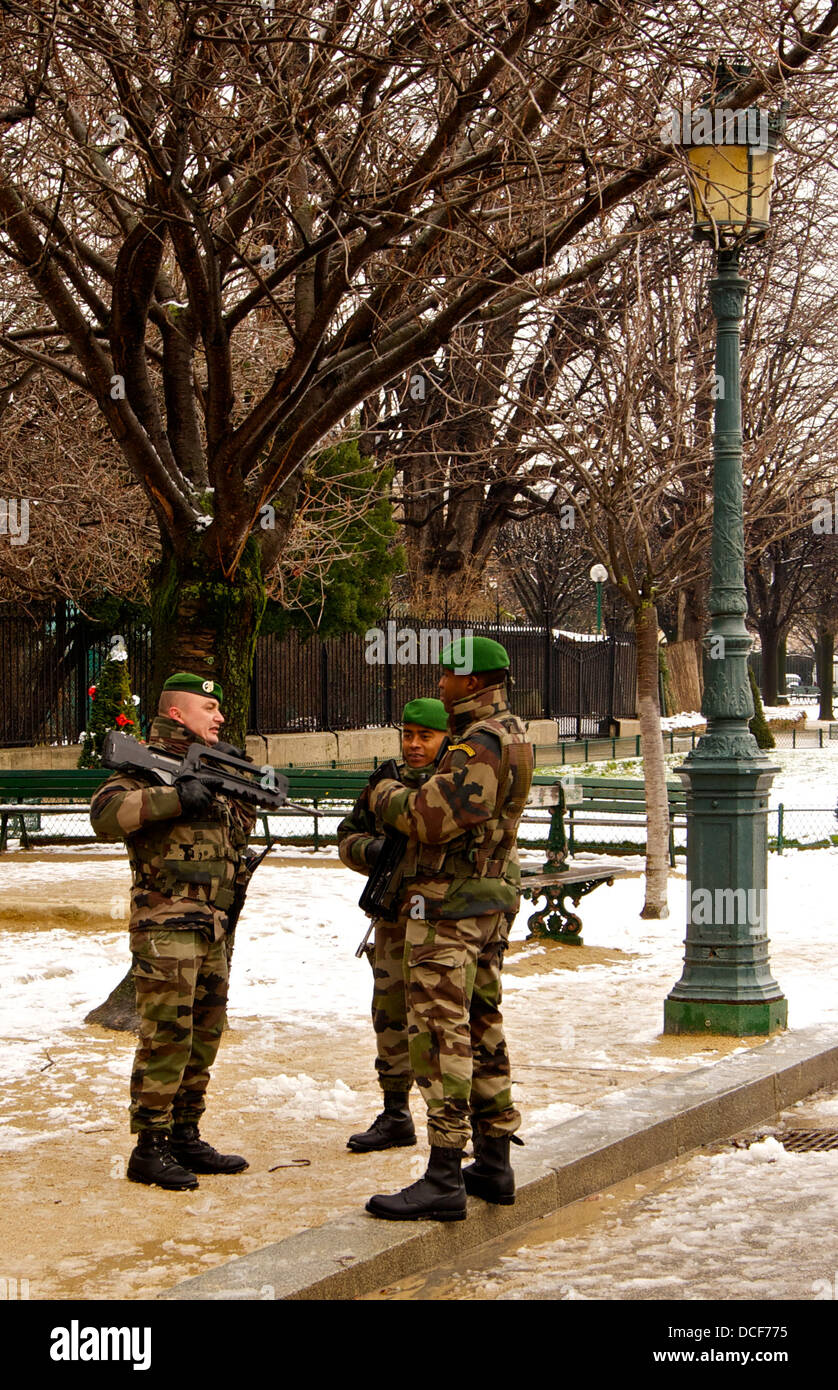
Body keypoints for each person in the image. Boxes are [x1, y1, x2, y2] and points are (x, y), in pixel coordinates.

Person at [362, 637, 534, 1222]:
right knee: (483, 1028)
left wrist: (385, 792)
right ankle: (492, 1161)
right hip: (486, 904)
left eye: (447, 675)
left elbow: (428, 820)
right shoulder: (511, 732)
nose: (439, 683)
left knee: (440, 1035)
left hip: (450, 908)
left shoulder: (479, 743)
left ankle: (442, 1174)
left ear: (472, 681)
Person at [90, 672, 256, 1191]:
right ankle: (150, 1146)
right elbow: (105, 814)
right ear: (178, 713)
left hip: (212, 925)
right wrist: (177, 798)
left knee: (204, 1034)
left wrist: (232, 790)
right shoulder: (145, 768)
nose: (220, 716)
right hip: (166, 925)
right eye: (209, 707)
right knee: (168, 1036)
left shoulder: (213, 765)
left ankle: (185, 1133)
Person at [338, 698, 448, 1153]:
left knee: (441, 1021)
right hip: (394, 919)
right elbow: (346, 837)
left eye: (426, 736)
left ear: (446, 738)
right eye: (408, 734)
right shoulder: (385, 781)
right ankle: (395, 1112)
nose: (415, 744)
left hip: (442, 922)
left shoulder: (453, 783)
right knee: (389, 1014)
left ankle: (448, 1121)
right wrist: (374, 852)